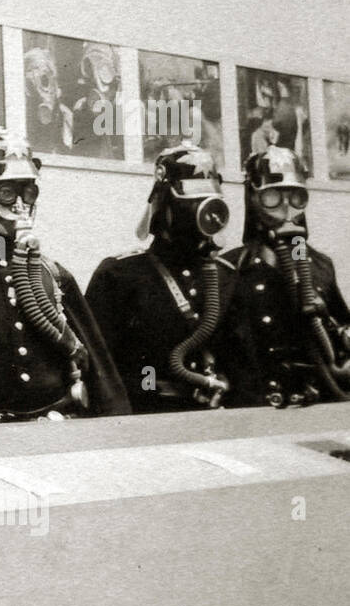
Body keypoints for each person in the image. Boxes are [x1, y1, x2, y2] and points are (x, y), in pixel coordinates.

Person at [0, 128, 129, 422]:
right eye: (6, 191)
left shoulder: (53, 275)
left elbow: (102, 377)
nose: (20, 204)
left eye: (28, 191)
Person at [84, 143, 235, 412]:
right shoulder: (120, 274)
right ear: (164, 204)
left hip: (215, 413)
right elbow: (98, 368)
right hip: (147, 414)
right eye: (189, 204)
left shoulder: (226, 275)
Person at [218, 147, 350, 406]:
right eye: (273, 196)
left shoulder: (320, 266)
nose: (286, 206)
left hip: (317, 398)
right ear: (253, 198)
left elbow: (341, 325)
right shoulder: (229, 268)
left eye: (296, 196)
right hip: (254, 404)